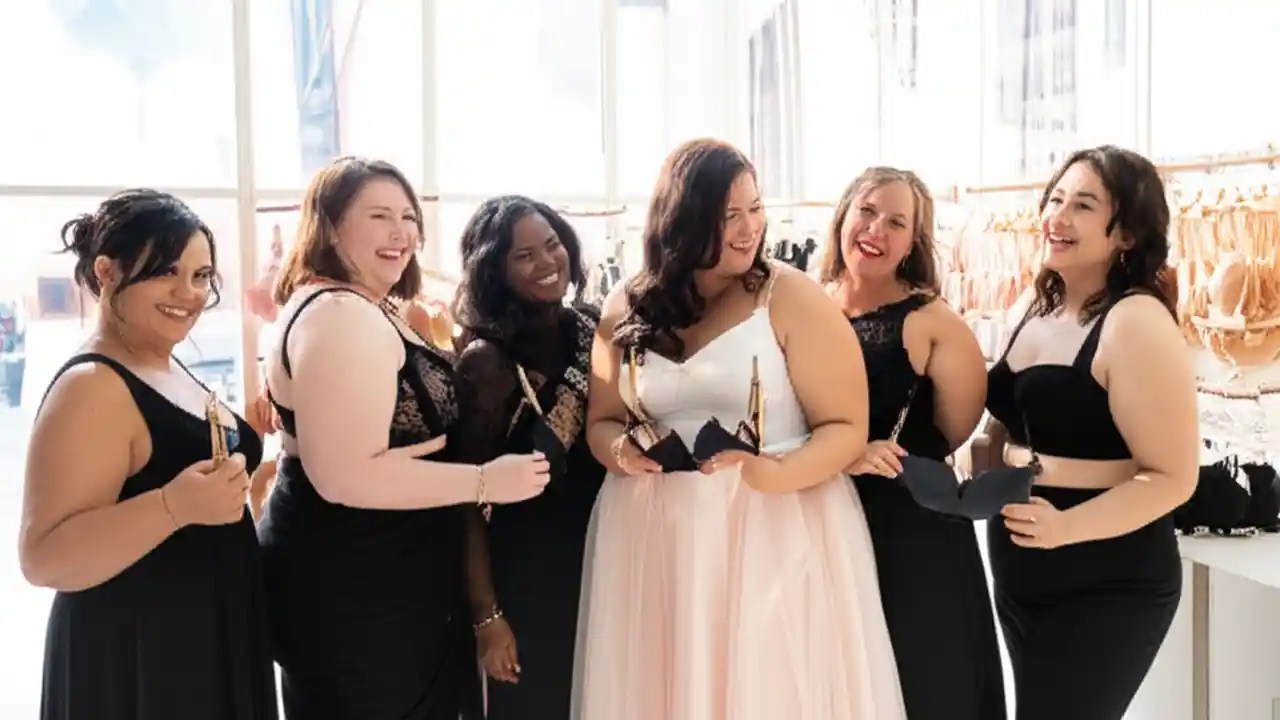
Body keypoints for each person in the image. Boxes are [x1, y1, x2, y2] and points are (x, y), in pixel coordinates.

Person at [574, 138, 906, 720]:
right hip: (655, 532)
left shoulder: (788, 295)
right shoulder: (626, 302)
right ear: (682, 217)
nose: (749, 227)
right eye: (729, 215)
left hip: (770, 526)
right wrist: (620, 452)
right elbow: (602, 421)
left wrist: (771, 474)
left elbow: (846, 427)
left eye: (755, 208)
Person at [255, 157, 551, 719]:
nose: (402, 233)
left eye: (409, 217)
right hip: (355, 578)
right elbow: (344, 473)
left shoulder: (357, 304)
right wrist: (486, 480)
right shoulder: (339, 314)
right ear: (330, 225)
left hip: (380, 566)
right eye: (380, 216)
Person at [19, 189, 277, 719]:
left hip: (200, 637)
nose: (188, 293)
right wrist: (173, 507)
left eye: (201, 276)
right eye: (166, 271)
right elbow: (43, 556)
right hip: (142, 656)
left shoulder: (159, 359)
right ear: (107, 272)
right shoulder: (93, 384)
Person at [984, 145, 1198, 720]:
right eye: (1055, 199)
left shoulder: (1134, 320)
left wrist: (1065, 528)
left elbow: (1174, 478)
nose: (1057, 216)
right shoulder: (1036, 307)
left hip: (1107, 576)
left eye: (1082, 205)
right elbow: (1012, 422)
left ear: (1125, 234)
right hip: (1026, 565)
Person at [822, 166, 1006, 720]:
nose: (876, 230)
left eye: (896, 222)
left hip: (909, 528)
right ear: (844, 216)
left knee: (924, 678)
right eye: (868, 211)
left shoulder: (932, 322)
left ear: (911, 243)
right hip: (820, 514)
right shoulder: (804, 302)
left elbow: (955, 427)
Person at [451, 195, 606, 719]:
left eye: (552, 245)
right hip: (526, 575)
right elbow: (465, 498)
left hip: (601, 556)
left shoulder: (592, 326)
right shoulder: (486, 362)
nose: (547, 263)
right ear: (494, 269)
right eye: (525, 255)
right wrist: (487, 617)